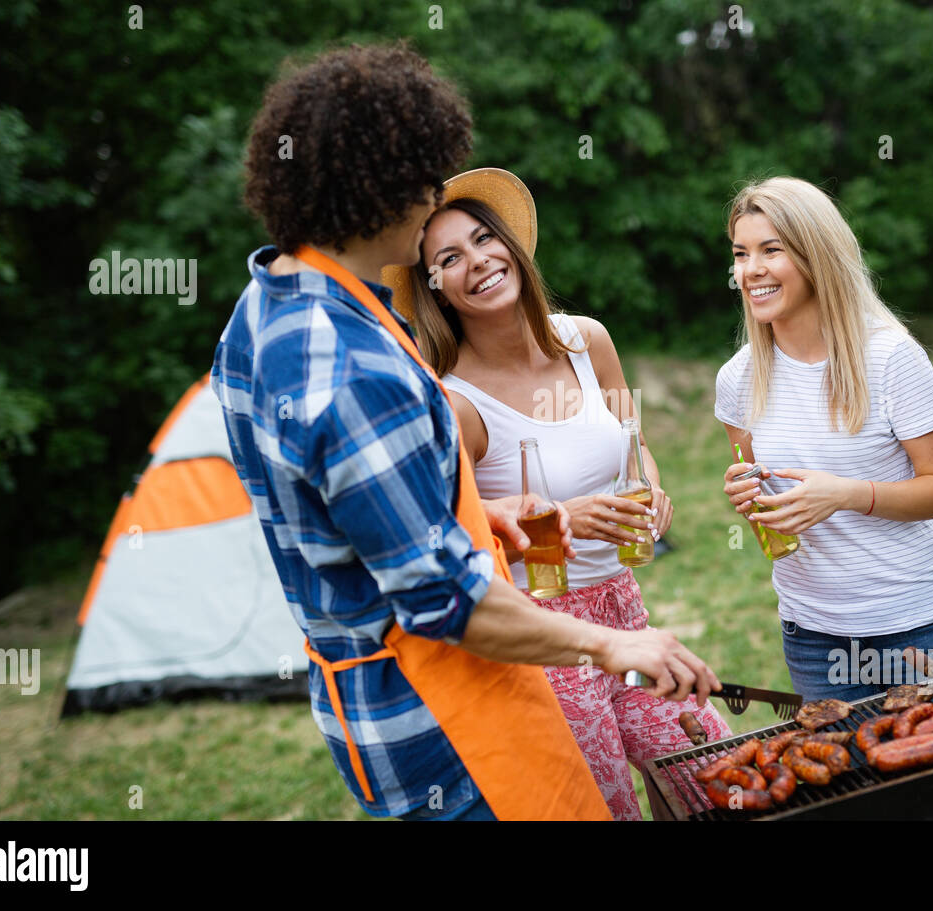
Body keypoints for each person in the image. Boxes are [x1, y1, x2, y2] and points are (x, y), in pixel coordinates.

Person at [210, 43, 718, 821]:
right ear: (384, 191)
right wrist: (609, 647)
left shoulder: (266, 306)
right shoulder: (352, 369)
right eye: (425, 183)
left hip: (385, 708)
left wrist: (491, 516)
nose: (430, 206)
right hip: (445, 725)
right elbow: (443, 598)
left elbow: (375, 525)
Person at [379, 167, 733, 820]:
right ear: (435, 289)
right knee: (607, 810)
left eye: (485, 238)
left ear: (511, 243)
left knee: (714, 777)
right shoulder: (455, 403)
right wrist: (560, 517)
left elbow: (635, 440)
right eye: (449, 258)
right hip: (547, 642)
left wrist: (651, 489)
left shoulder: (587, 341)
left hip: (629, 614)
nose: (477, 261)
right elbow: (441, 533)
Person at [715, 176, 933, 703]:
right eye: (741, 254)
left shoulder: (890, 359)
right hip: (812, 635)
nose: (751, 270)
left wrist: (844, 494)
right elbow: (763, 500)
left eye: (771, 250)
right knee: (850, 787)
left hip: (917, 626)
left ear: (816, 254)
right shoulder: (737, 379)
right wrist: (748, 500)